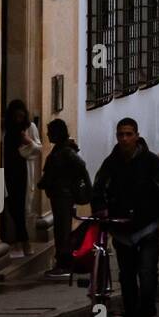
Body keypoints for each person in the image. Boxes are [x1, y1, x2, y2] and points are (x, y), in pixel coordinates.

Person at [92, 118, 159, 317]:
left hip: (147, 227)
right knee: (127, 277)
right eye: (121, 135)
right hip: (121, 230)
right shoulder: (111, 163)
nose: (125, 139)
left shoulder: (150, 162)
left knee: (147, 274)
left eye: (129, 134)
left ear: (137, 135)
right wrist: (100, 209)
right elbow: (98, 188)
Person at [36, 119, 90, 279]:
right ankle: (62, 262)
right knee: (61, 230)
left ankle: (64, 264)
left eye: (50, 132)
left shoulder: (65, 151)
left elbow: (80, 166)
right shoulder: (60, 149)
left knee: (62, 231)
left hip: (63, 196)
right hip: (59, 195)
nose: (47, 134)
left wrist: (75, 185)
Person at [1, 100, 42, 257]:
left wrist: (28, 141)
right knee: (12, 207)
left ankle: (23, 243)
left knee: (21, 208)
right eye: (16, 115)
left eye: (21, 115)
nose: (19, 118)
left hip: (22, 171)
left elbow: (39, 148)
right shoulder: (6, 129)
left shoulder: (30, 128)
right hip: (7, 170)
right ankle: (23, 243)